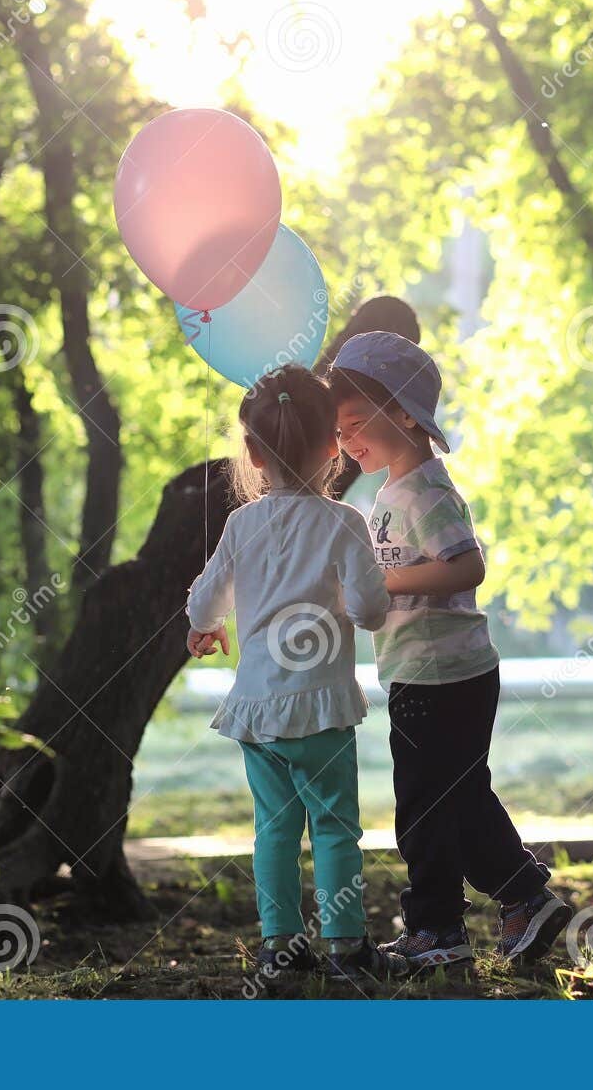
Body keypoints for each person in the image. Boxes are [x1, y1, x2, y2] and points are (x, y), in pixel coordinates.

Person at [329, 330, 572, 970]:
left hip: (444, 676)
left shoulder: (426, 492)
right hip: (420, 672)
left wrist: (382, 583)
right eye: (337, 431)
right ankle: (520, 898)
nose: (345, 441)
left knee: (427, 805)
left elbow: (466, 568)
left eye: (355, 423)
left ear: (405, 415)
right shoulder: (390, 492)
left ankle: (438, 929)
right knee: (453, 798)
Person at [186, 364, 405, 983]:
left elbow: (205, 605)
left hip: (258, 708)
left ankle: (279, 946)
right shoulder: (344, 523)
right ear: (334, 445)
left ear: (252, 452)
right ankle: (346, 945)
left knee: (273, 831)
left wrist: (204, 625)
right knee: (335, 828)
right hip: (322, 708)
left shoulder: (240, 525)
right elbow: (368, 610)